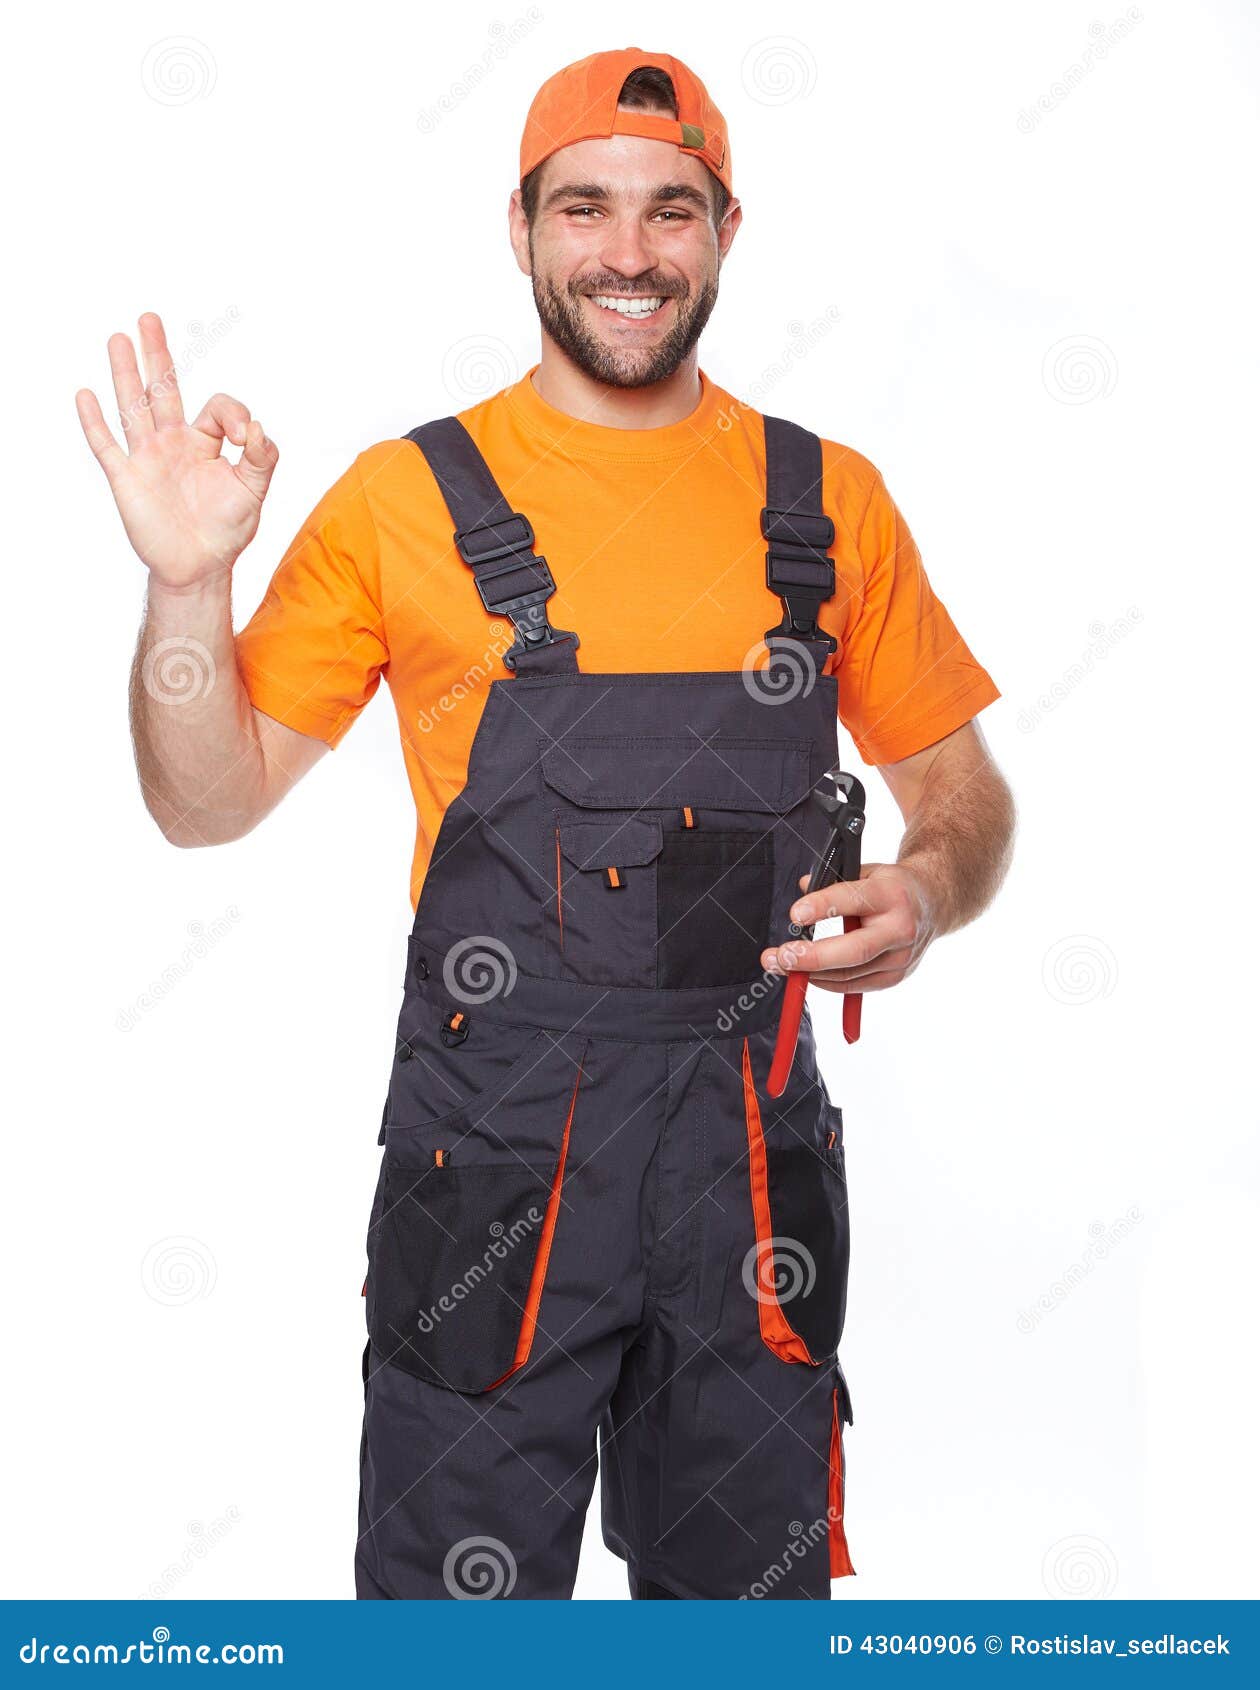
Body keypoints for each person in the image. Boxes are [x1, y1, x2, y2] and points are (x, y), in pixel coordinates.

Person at [75, 47, 1014, 1601]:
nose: (630, 254)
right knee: (457, 1625)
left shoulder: (829, 502)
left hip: (752, 1183)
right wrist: (189, 582)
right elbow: (202, 800)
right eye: (585, 207)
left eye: (671, 211)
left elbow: (966, 791)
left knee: (748, 1625)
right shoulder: (407, 499)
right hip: (497, 1184)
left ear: (726, 229)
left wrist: (929, 885)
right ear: (520, 229)